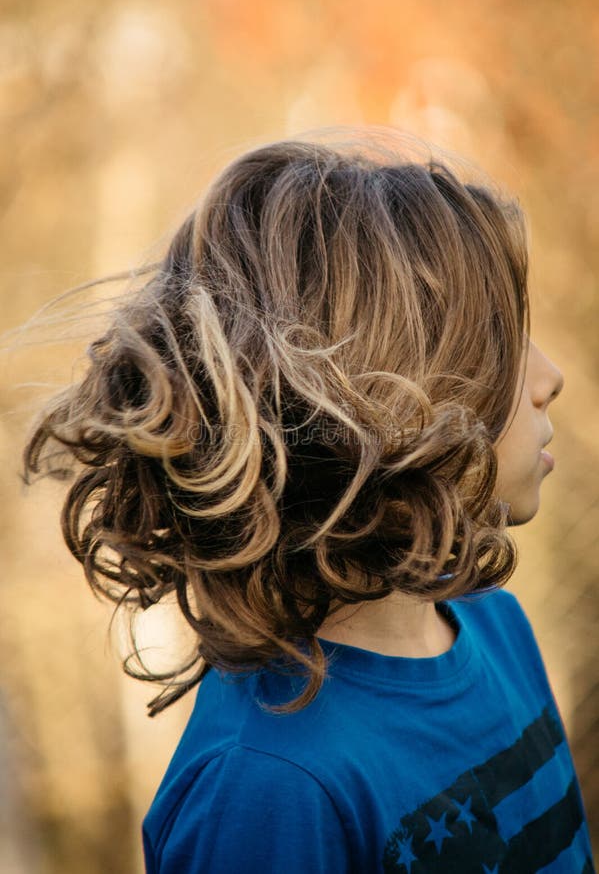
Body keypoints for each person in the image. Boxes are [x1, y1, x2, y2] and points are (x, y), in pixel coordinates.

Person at [22, 133, 594, 873]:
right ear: (389, 396)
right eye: (503, 339)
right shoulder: (266, 791)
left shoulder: (495, 623)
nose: (549, 376)